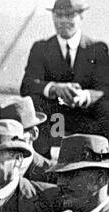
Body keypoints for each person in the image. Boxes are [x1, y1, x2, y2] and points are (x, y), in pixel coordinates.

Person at [21, 0, 109, 157]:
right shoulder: (41, 48)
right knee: (33, 102)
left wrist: (85, 96)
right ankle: (42, 168)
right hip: (55, 119)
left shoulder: (98, 49)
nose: (63, 21)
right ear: (53, 16)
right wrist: (55, 88)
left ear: (81, 16)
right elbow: (27, 85)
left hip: (86, 118)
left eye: (69, 15)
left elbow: (105, 88)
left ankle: (102, 164)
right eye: (59, 15)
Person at [0, 97, 57, 187]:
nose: (11, 141)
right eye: (5, 134)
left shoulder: (51, 173)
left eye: (19, 132)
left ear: (34, 133)